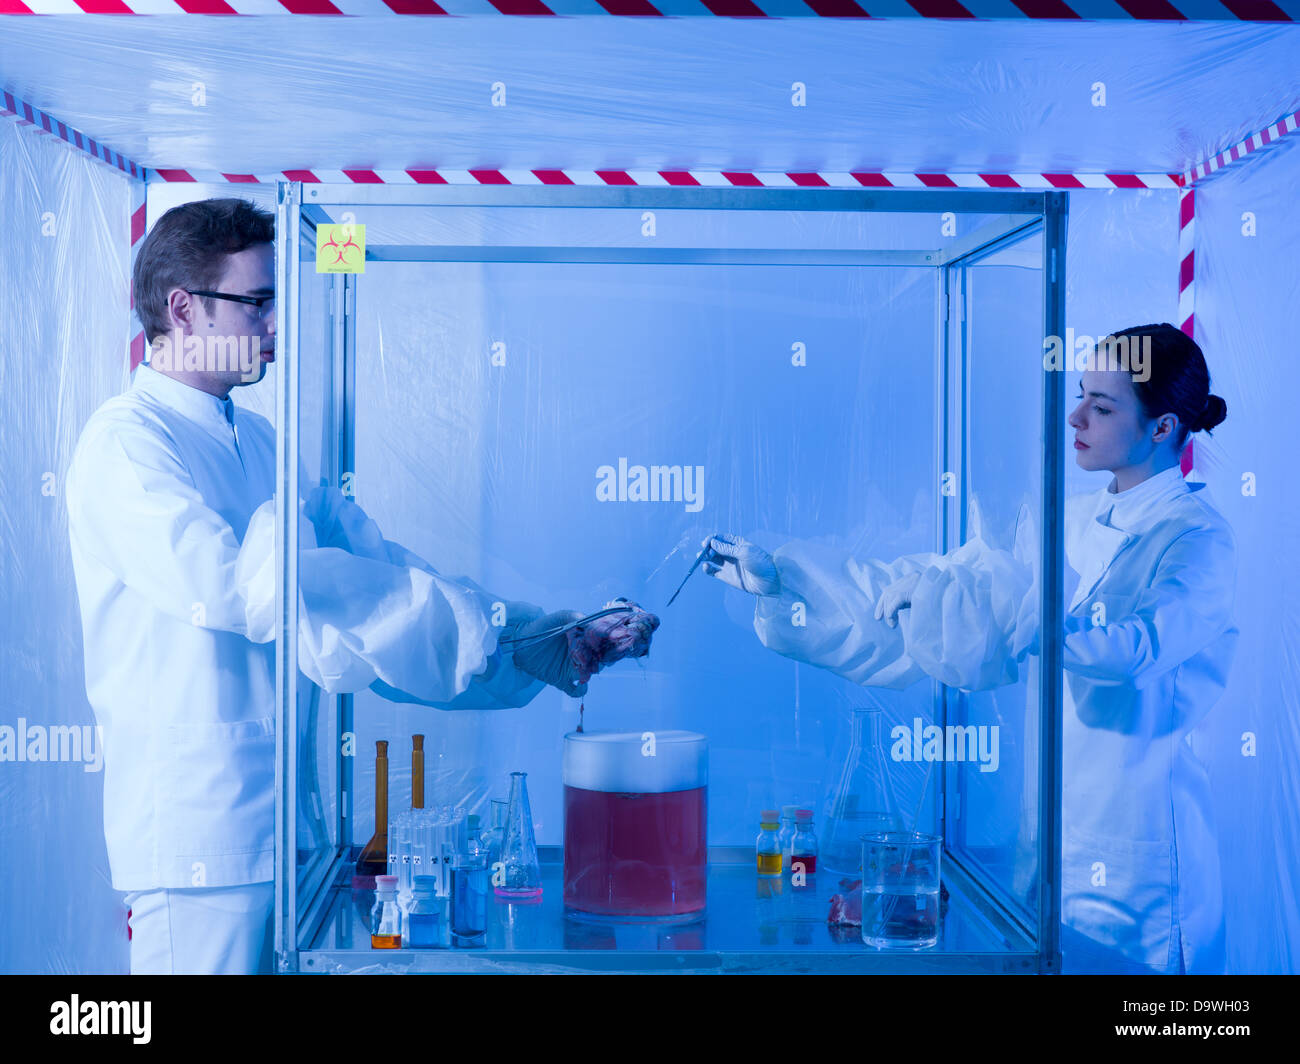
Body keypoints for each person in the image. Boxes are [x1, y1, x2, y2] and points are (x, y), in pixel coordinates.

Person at [66, 198, 646, 975]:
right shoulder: (126, 447)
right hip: (196, 845)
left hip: (282, 837)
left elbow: (382, 576)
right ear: (183, 309)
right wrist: (296, 529)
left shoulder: (259, 439)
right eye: (259, 302)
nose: (276, 326)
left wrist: (532, 638)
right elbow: (255, 592)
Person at [703, 323, 1236, 974]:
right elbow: (932, 595)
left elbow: (1133, 648)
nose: (1075, 417)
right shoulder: (1062, 521)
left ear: (1162, 428)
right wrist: (787, 585)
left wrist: (1019, 613)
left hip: (1144, 872)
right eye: (1080, 396)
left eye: (1101, 407)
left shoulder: (1197, 541)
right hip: (1047, 856)